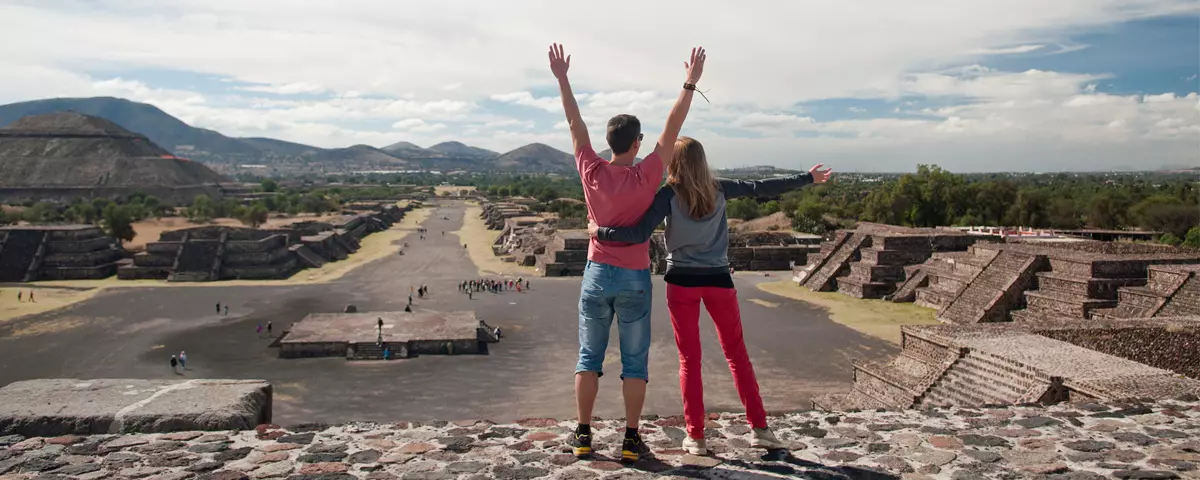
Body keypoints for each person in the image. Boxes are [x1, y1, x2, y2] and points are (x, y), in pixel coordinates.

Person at [589, 137, 832, 455]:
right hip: (718, 280)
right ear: (702, 161)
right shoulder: (720, 188)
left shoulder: (668, 194)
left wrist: (600, 231)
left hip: (682, 283)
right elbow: (763, 187)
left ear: (673, 163)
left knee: (689, 360)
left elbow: (637, 233)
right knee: (737, 355)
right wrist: (807, 178)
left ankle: (696, 436)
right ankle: (759, 429)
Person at [550, 42, 706, 462]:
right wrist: (690, 82)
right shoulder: (648, 173)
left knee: (589, 357)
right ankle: (630, 438)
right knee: (634, 363)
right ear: (637, 142)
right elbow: (674, 125)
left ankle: (582, 434)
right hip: (635, 276)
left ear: (608, 143)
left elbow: (573, 121)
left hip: (597, 273)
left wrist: (563, 78)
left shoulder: (591, 170)